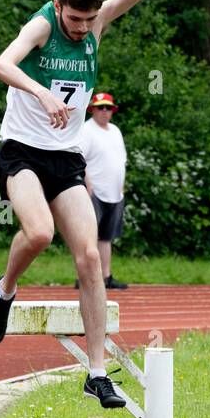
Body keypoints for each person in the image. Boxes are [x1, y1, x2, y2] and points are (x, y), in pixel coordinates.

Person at [0, 0, 187, 408]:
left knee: (91, 258)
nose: (81, 28)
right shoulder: (42, 27)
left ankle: (96, 372)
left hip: (65, 157)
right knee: (38, 234)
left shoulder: (96, 23)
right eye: (74, 19)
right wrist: (41, 92)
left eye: (88, 20)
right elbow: (1, 64)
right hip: (22, 150)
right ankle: (5, 289)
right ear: (59, 6)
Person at [79, 91, 129, 289]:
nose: (104, 111)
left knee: (106, 237)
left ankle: (105, 277)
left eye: (108, 108)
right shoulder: (87, 130)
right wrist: (87, 183)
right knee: (88, 236)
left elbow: (121, 160)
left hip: (115, 193)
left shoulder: (115, 131)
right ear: (93, 109)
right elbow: (79, 158)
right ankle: (84, 276)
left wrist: (121, 184)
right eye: (101, 107)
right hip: (95, 191)